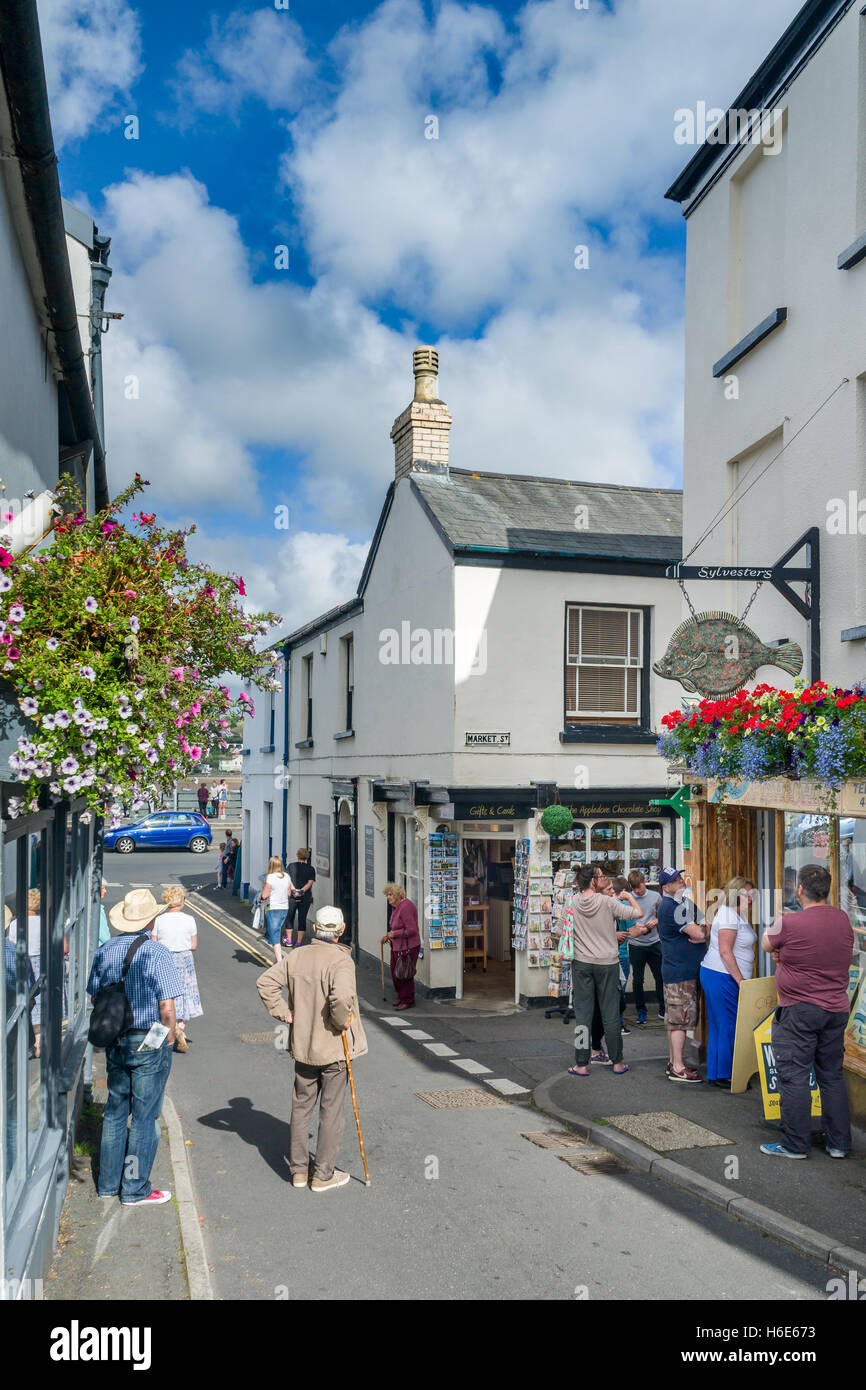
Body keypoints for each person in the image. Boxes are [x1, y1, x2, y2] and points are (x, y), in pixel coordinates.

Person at [256, 905, 368, 1193]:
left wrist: (285, 1013)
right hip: (334, 1049)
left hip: (303, 1047)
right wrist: (341, 1022)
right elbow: (342, 998)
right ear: (342, 930)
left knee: (301, 1107)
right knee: (331, 1111)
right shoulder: (341, 961)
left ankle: (298, 1173)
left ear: (316, 929)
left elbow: (265, 982)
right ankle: (323, 1175)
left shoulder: (297, 956)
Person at [87, 889, 182, 1206]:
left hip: (115, 1040)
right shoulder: (156, 953)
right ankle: (135, 1188)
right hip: (147, 1039)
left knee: (115, 1113)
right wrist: (168, 1038)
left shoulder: (105, 950)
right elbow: (167, 1009)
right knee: (143, 1118)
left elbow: (94, 997)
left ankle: (108, 1185)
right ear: (151, 918)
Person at [760, 863, 854, 1160]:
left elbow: (766, 942)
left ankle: (794, 1145)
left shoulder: (789, 922)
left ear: (799, 889)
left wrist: (781, 953)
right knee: (832, 1077)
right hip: (836, 1008)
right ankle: (839, 1143)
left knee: (794, 1076)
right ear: (827, 890)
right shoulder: (843, 920)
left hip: (800, 1010)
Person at [567, 864, 640, 1077]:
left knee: (583, 1015)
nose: (604, 879)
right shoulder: (609, 902)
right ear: (593, 881)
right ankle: (617, 1062)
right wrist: (628, 896)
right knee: (610, 1013)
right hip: (608, 963)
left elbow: (561, 929)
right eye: (601, 876)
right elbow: (637, 913)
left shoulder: (572, 903)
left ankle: (581, 1063)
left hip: (581, 963)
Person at [700, 877, 757, 1089]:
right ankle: (727, 1074)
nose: (751, 899)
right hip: (722, 975)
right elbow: (725, 952)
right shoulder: (729, 916)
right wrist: (741, 981)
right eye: (747, 894)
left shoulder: (733, 914)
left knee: (720, 1025)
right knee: (728, 1025)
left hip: (720, 975)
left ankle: (717, 1073)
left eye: (752, 894)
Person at [657, 867, 707, 1083]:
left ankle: (673, 1062)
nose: (680, 881)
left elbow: (704, 921)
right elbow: (699, 931)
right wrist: (702, 932)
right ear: (665, 887)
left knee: (676, 1018)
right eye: (674, 880)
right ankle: (677, 1066)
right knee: (679, 1020)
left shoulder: (683, 902)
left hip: (682, 969)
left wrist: (702, 930)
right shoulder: (669, 906)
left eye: (679, 877)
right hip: (679, 972)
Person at [153, 887, 202, 1053]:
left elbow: (154, 943)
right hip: (184, 959)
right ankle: (180, 1028)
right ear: (182, 902)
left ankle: (156, 1039)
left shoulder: (159, 920)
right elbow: (193, 945)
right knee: (185, 994)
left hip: (164, 958)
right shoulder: (189, 919)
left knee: (163, 996)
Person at [625, 870, 664, 1024]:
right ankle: (641, 1010)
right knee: (637, 979)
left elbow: (664, 915)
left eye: (638, 887)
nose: (636, 891)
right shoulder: (628, 898)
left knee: (660, 977)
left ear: (644, 883)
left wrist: (657, 920)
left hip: (654, 942)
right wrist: (634, 925)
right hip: (636, 944)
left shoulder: (655, 896)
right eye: (633, 888)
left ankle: (663, 1008)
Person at [8, 889, 42, 1058]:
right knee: (39, 1001)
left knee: (24, 1002)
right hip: (39, 962)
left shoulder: (15, 923)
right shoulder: (43, 922)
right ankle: (39, 1041)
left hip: (21, 962)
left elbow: (11, 948)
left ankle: (26, 1038)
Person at [381, 883, 421, 1010]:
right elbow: (395, 926)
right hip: (398, 946)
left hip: (409, 947)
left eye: (391, 894)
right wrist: (388, 936)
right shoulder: (396, 907)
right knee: (395, 972)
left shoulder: (405, 907)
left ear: (398, 895)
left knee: (404, 974)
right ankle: (402, 996)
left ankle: (408, 1000)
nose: (388, 897)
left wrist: (394, 934)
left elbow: (412, 930)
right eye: (387, 894)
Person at [261, 855, 293, 964]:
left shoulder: (270, 877)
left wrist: (261, 894)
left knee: (274, 936)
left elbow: (265, 895)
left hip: (273, 908)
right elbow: (289, 893)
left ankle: (279, 963)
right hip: (284, 908)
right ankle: (276, 960)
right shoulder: (287, 877)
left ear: (271, 865)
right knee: (277, 931)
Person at [284, 848, 316, 948]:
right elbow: (310, 883)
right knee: (302, 918)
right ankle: (298, 943)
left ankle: (289, 941)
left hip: (292, 897)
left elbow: (288, 880)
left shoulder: (291, 866)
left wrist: (294, 891)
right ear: (307, 857)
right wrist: (301, 891)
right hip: (305, 897)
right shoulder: (311, 869)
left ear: (298, 855)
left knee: (290, 917)